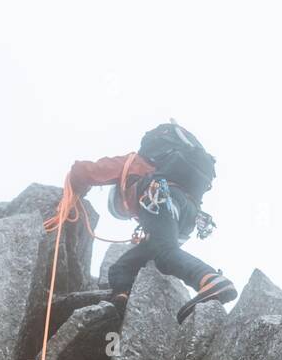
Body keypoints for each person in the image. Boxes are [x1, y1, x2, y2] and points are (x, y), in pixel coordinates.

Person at [67, 121, 237, 324]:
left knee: (165, 253)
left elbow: (89, 171)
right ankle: (121, 298)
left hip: (163, 197)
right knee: (123, 266)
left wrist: (76, 182)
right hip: (188, 213)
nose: (131, 214)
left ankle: (210, 279)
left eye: (124, 211)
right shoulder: (163, 169)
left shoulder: (135, 165)